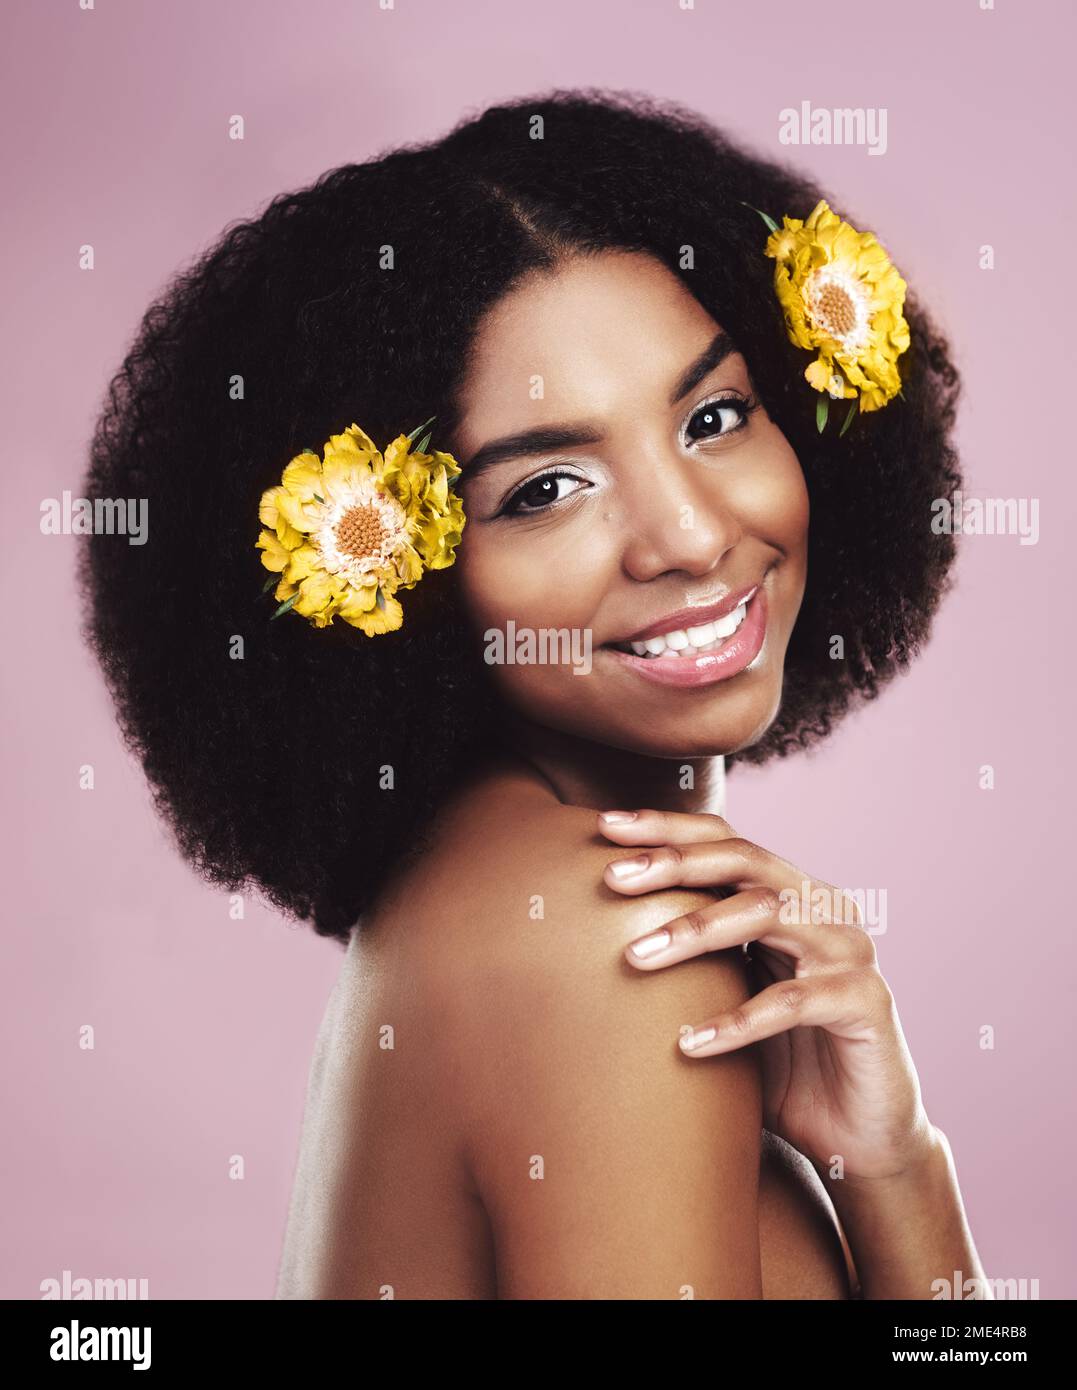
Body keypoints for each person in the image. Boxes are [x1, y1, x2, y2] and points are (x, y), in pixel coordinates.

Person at [81, 88, 988, 1299]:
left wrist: (895, 1165)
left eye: (715, 416)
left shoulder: (481, 894)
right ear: (396, 577)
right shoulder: (611, 940)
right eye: (546, 488)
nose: (688, 534)